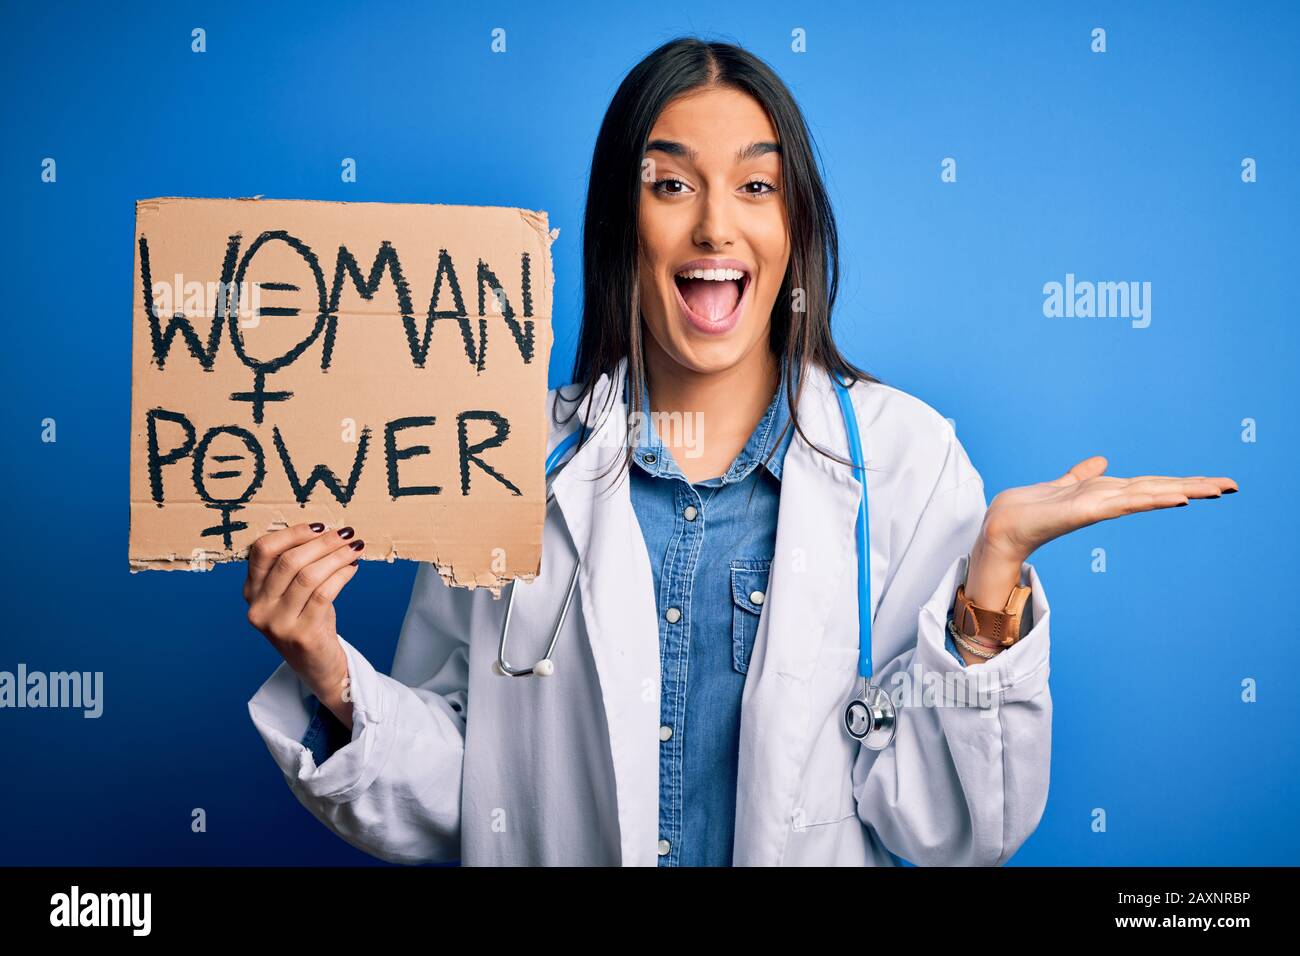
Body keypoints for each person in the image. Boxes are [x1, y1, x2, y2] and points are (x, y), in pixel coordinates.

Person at [241, 37, 1238, 866]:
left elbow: (953, 827)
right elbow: (464, 794)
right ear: (616, 225)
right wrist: (329, 669)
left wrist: (990, 586)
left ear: (793, 225)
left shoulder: (905, 458)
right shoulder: (503, 458)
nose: (715, 223)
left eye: (755, 185)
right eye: (669, 182)